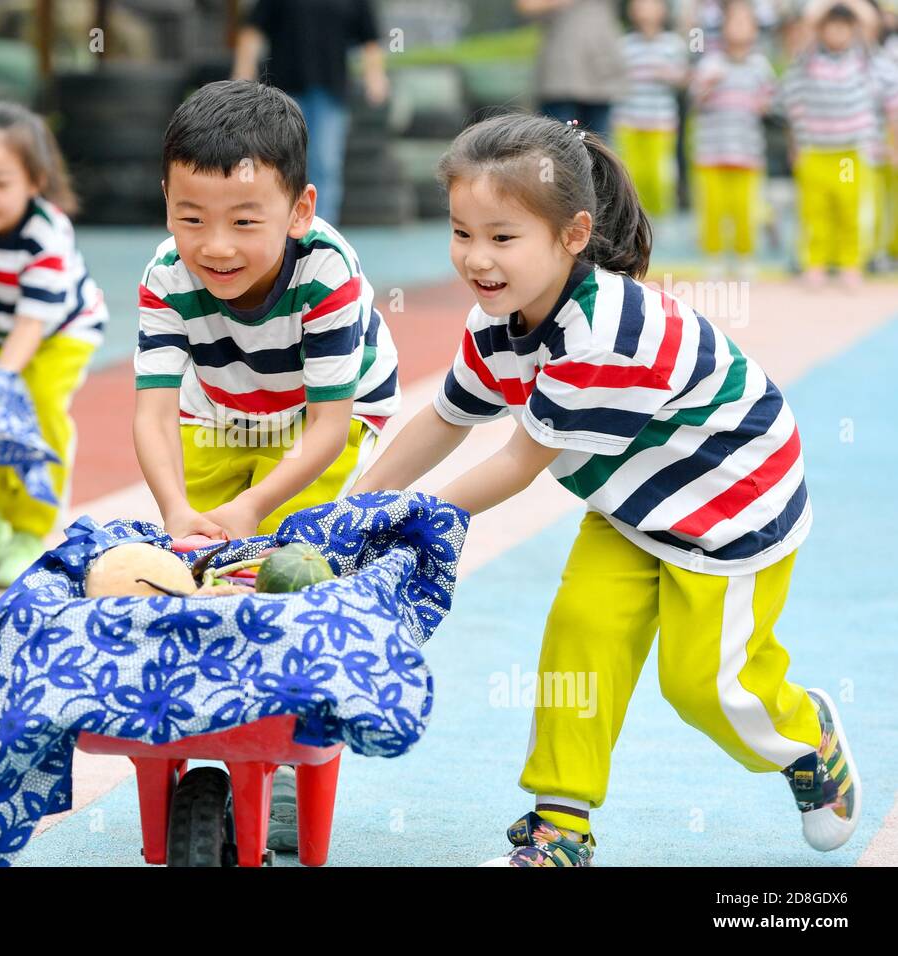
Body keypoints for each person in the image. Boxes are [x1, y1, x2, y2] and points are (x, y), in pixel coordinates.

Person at [349, 111, 859, 866]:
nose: (476, 260)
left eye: (501, 237)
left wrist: (404, 520)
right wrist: (352, 505)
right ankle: (561, 831)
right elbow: (446, 419)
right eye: (462, 232)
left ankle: (807, 738)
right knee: (578, 643)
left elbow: (520, 463)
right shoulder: (501, 316)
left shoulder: (601, 337)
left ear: (574, 235)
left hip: (731, 502)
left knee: (706, 690)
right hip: (630, 502)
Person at [133, 79, 400, 543]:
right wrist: (174, 510)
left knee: (290, 546)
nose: (217, 246)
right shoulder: (167, 276)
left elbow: (327, 426)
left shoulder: (325, 273)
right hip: (221, 407)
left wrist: (253, 507)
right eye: (192, 218)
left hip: (326, 411)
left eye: (244, 222)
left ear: (300, 210)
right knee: (194, 539)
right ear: (167, 202)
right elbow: (155, 416)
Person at [0, 102, 108, 589]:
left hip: (57, 331)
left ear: (34, 181)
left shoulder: (45, 234)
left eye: (0, 183)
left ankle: (30, 529)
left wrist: (0, 378)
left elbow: (31, 326)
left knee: (38, 404)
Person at [231, 0, 389, 224]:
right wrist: (243, 71)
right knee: (279, 162)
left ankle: (320, 230)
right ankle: (276, 224)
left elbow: (370, 38)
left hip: (330, 94)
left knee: (325, 164)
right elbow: (253, 30)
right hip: (283, 95)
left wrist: (375, 76)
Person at [776, 0, 894, 287]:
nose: (838, 34)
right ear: (820, 31)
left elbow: (869, 22)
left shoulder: (862, 57)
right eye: (831, 28)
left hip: (847, 154)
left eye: (844, 28)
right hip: (815, 151)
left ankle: (849, 263)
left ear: (853, 31)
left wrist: (849, 6)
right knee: (815, 212)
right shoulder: (808, 59)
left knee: (848, 209)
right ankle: (815, 263)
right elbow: (807, 22)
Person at [689, 0, 778, 278]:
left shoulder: (760, 66)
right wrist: (707, 87)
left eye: (745, 21)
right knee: (713, 209)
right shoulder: (710, 64)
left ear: (755, 29)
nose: (739, 27)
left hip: (747, 152)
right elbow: (693, 101)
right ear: (722, 27)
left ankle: (744, 256)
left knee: (745, 210)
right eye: (734, 21)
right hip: (711, 152)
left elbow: (772, 101)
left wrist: (765, 103)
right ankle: (714, 257)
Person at [614, 0, 691, 219]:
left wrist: (670, 75)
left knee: (659, 176)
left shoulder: (673, 44)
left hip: (661, 121)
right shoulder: (625, 44)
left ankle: (660, 218)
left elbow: (685, 78)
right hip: (629, 120)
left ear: (662, 10)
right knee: (631, 173)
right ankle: (633, 218)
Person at [518, 0, 626, 139]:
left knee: (597, 144)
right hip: (561, 69)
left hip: (600, 64)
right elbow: (527, 6)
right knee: (556, 144)